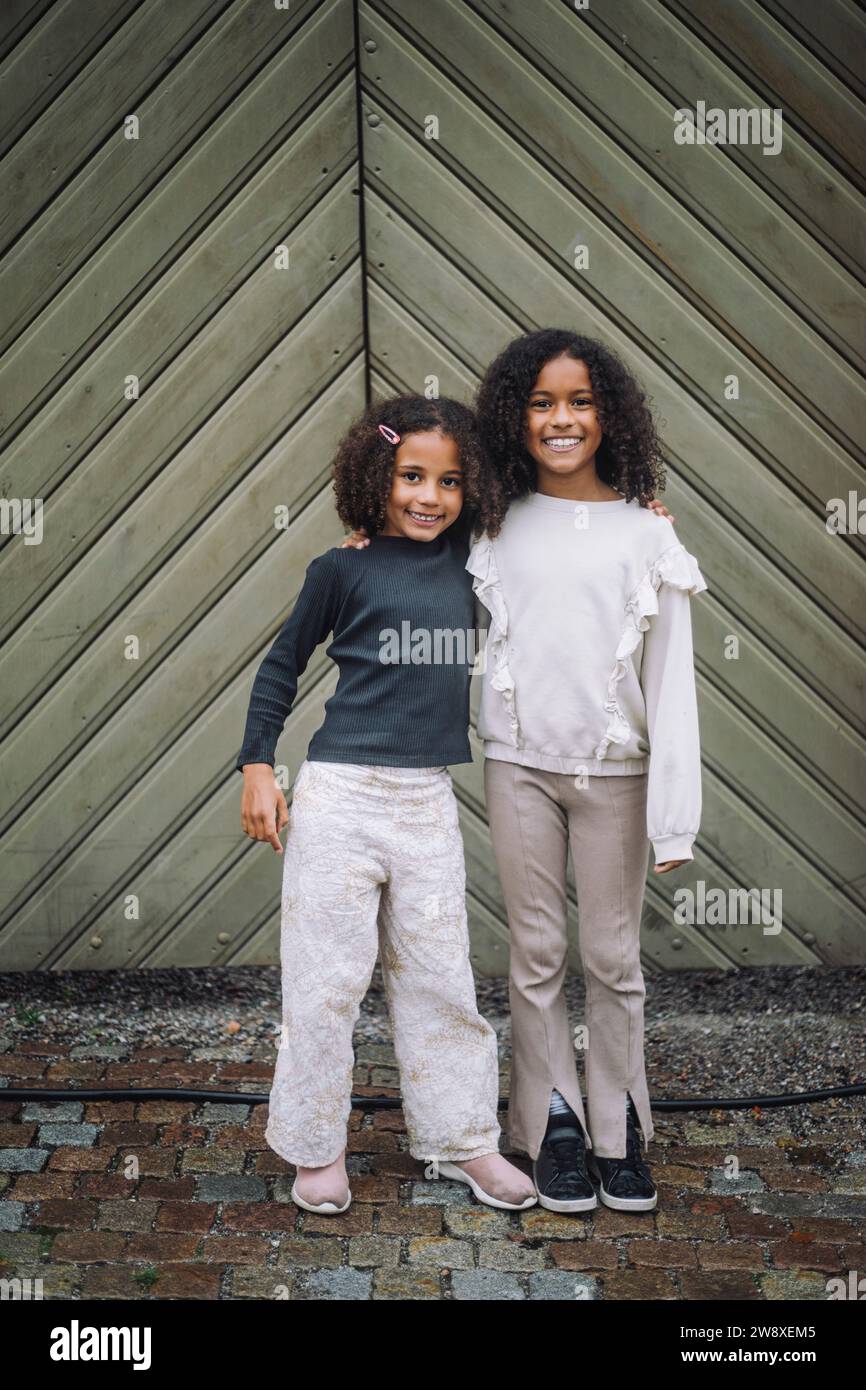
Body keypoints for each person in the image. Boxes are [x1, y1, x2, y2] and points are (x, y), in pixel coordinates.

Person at [236, 394, 537, 1215]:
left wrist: (636, 506)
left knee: (442, 979)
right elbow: (280, 667)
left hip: (425, 801)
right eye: (410, 476)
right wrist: (258, 764)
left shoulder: (479, 560)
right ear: (378, 476)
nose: (428, 497)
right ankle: (315, 1147)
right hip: (339, 795)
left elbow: (553, 514)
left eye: (447, 480)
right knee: (325, 984)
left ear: (472, 487)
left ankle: (461, 1141)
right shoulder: (340, 569)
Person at [467, 327, 708, 1213]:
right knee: (534, 953)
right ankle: (550, 1123)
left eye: (579, 402)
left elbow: (671, 680)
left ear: (609, 416)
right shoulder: (492, 522)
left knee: (613, 958)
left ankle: (618, 1127)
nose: (561, 419)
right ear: (514, 417)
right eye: (540, 402)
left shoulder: (647, 537)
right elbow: (409, 537)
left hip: (618, 774)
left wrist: (673, 816)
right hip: (518, 765)